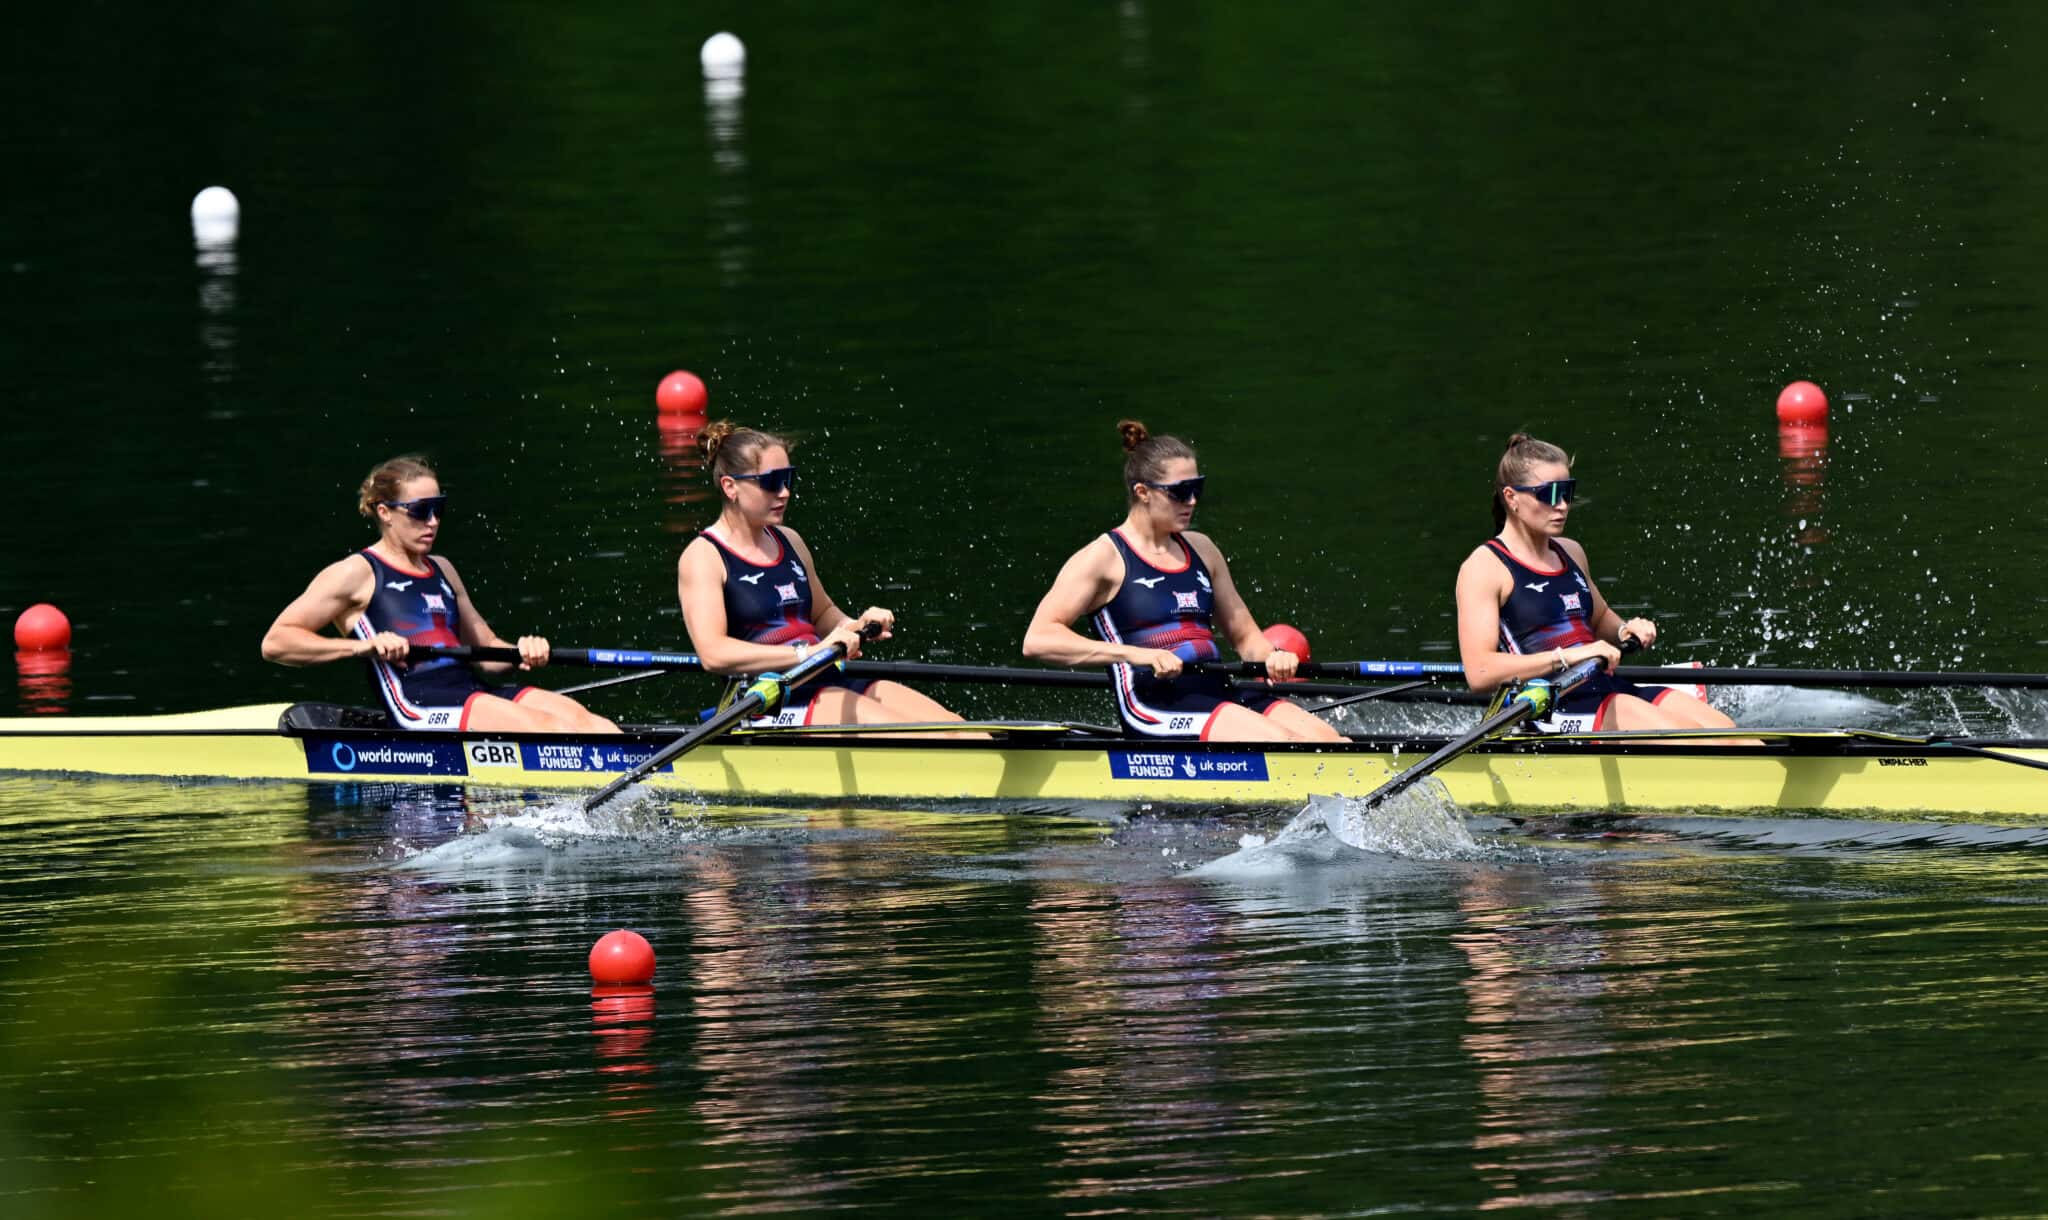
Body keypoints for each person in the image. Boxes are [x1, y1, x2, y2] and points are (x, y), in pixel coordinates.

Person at [1023, 420, 1344, 743]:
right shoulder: (1102, 558)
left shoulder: (1203, 549)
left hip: (1218, 691)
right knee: (1283, 743)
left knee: (1333, 744)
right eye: (1180, 492)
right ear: (1143, 493)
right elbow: (1038, 639)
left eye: (1197, 489)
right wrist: (1137, 655)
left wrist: (1273, 657)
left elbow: (1247, 638)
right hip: (1154, 706)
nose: (1191, 501)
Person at [261, 455, 619, 733]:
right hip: (418, 705)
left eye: (438, 509)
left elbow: (487, 653)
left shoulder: (443, 569)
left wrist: (522, 652)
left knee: (594, 725)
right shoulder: (355, 573)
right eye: (420, 511)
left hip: (471, 691)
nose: (432, 521)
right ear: (384, 512)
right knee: (548, 730)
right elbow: (277, 643)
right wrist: (363, 647)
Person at [676, 421, 974, 731]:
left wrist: (855, 625)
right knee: (923, 738)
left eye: (788, 478)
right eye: (771, 482)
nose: (784, 492)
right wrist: (812, 651)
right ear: (730, 486)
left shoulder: (790, 540)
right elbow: (713, 653)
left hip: (827, 675)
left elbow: (822, 613)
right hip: (767, 697)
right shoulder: (703, 557)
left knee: (962, 730)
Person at [1455, 433, 1739, 734]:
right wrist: (1566, 657)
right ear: (1512, 497)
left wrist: (1624, 629)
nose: (1563, 505)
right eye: (1549, 494)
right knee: (1682, 738)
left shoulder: (1571, 551)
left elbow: (1599, 616)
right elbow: (1480, 672)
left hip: (1603, 687)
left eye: (1567, 492)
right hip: (1548, 709)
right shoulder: (1484, 567)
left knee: (1725, 730)